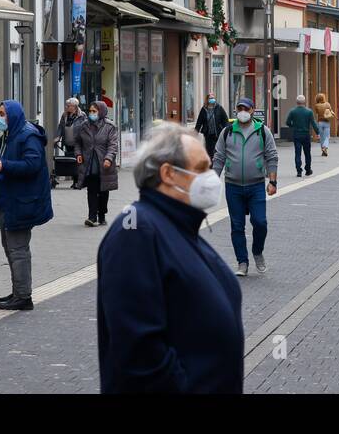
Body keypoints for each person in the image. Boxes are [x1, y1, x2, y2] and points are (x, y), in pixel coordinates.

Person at [96, 123, 243, 393]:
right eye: (201, 168)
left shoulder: (180, 227)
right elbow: (139, 350)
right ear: (168, 174)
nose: (211, 177)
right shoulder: (136, 232)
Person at [0, 100, 53, 312]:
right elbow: (1, 161)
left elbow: (32, 164)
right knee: (9, 247)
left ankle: (23, 297)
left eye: (2, 114)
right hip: (8, 201)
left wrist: (4, 166)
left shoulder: (28, 136)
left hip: (22, 202)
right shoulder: (7, 136)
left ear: (13, 115)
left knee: (18, 249)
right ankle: (18, 291)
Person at [211, 96, 278, 277]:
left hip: (256, 185)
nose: (242, 112)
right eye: (239, 108)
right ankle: (242, 262)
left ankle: (257, 251)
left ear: (252, 111)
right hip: (233, 186)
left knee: (260, 222)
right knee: (237, 226)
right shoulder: (227, 132)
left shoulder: (262, 132)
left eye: (245, 109)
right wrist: (211, 181)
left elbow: (272, 157)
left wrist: (272, 181)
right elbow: (219, 158)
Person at [74, 100, 119, 226]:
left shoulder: (109, 126)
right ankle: (92, 217)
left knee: (103, 190)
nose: (91, 113)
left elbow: (113, 145)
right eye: (90, 111)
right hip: (89, 163)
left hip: (104, 163)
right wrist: (78, 154)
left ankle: (102, 215)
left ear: (101, 112)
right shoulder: (84, 125)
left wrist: (108, 158)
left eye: (94, 111)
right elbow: (77, 142)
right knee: (92, 190)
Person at [285, 94, 316, 177]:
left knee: (297, 153)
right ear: (304, 102)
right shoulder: (309, 112)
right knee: (307, 153)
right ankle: (308, 169)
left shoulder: (292, 111)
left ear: (296, 102)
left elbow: (287, 122)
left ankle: (299, 171)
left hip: (296, 134)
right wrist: (318, 132)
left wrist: (293, 126)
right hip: (306, 135)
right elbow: (313, 123)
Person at [58, 97, 85, 190]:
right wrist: (58, 137)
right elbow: (60, 127)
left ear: (74, 107)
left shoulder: (82, 116)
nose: (67, 107)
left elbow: (85, 128)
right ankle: (74, 181)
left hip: (78, 143)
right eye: (67, 105)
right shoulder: (65, 115)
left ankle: (79, 182)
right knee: (71, 163)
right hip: (68, 143)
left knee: (78, 162)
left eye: (68, 106)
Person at [194, 92, 230, 160]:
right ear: (207, 99)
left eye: (213, 98)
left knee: (217, 150)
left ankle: (217, 162)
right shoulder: (204, 109)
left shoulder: (219, 108)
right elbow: (199, 122)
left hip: (218, 134)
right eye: (210, 98)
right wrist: (195, 133)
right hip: (208, 134)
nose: (212, 99)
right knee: (209, 151)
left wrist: (226, 130)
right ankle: (211, 165)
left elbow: (225, 120)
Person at [312, 92, 335, 156]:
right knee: (327, 137)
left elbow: (317, 113)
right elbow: (330, 111)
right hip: (327, 122)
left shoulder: (316, 105)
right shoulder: (327, 104)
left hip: (320, 122)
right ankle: (325, 147)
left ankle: (323, 150)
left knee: (321, 137)